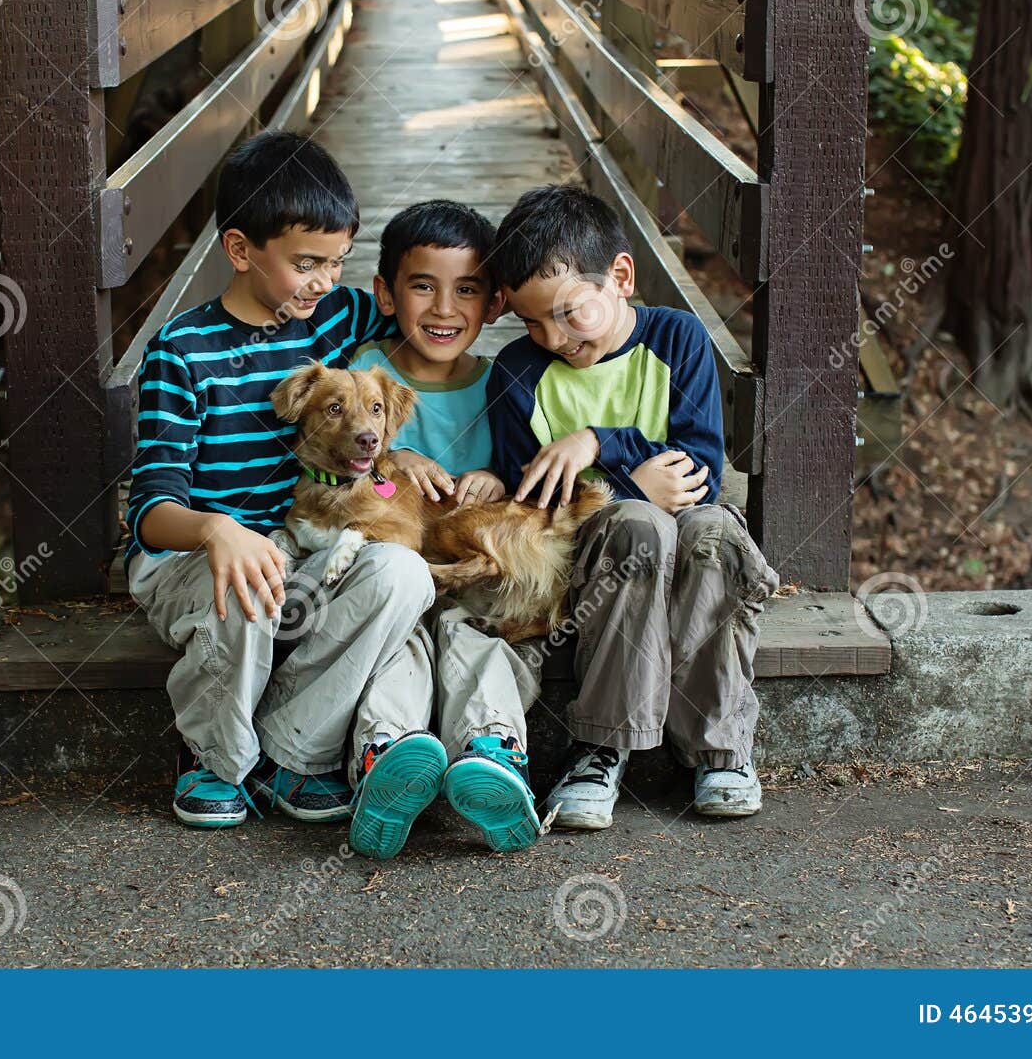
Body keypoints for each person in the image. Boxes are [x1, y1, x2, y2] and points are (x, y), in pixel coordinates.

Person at [125, 130, 439, 838]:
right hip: (192, 553)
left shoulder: (330, 315)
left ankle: (290, 745)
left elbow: (418, 308)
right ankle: (214, 757)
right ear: (241, 251)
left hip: (293, 546)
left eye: (338, 262)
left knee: (404, 575)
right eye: (306, 263)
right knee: (250, 583)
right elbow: (150, 508)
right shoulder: (182, 352)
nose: (327, 281)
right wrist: (215, 529)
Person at [486, 184, 780, 831]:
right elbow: (528, 501)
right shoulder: (516, 373)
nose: (553, 337)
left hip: (691, 539)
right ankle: (600, 743)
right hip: (598, 557)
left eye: (568, 313)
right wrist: (632, 487)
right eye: (533, 321)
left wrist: (598, 442)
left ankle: (720, 746)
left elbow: (699, 469)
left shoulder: (676, 339)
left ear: (620, 276)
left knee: (714, 532)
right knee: (640, 522)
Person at [348, 200, 541, 854]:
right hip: (393, 566)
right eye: (422, 285)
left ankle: (492, 753)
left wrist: (496, 478)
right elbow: (326, 475)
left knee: (475, 638)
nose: (443, 308)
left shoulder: (501, 383)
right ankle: (387, 753)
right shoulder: (362, 374)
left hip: (467, 575)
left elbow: (526, 480)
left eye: (466, 290)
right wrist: (384, 459)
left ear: (494, 304)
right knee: (397, 640)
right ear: (385, 291)